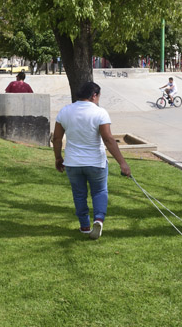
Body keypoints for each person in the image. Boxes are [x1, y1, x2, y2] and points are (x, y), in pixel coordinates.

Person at [52, 82, 132, 239]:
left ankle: (84, 226)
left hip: (73, 163)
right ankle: (99, 219)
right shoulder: (100, 113)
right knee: (100, 191)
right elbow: (108, 139)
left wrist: (58, 157)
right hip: (96, 162)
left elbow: (56, 138)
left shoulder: (65, 111)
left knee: (79, 194)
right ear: (94, 95)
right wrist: (122, 163)